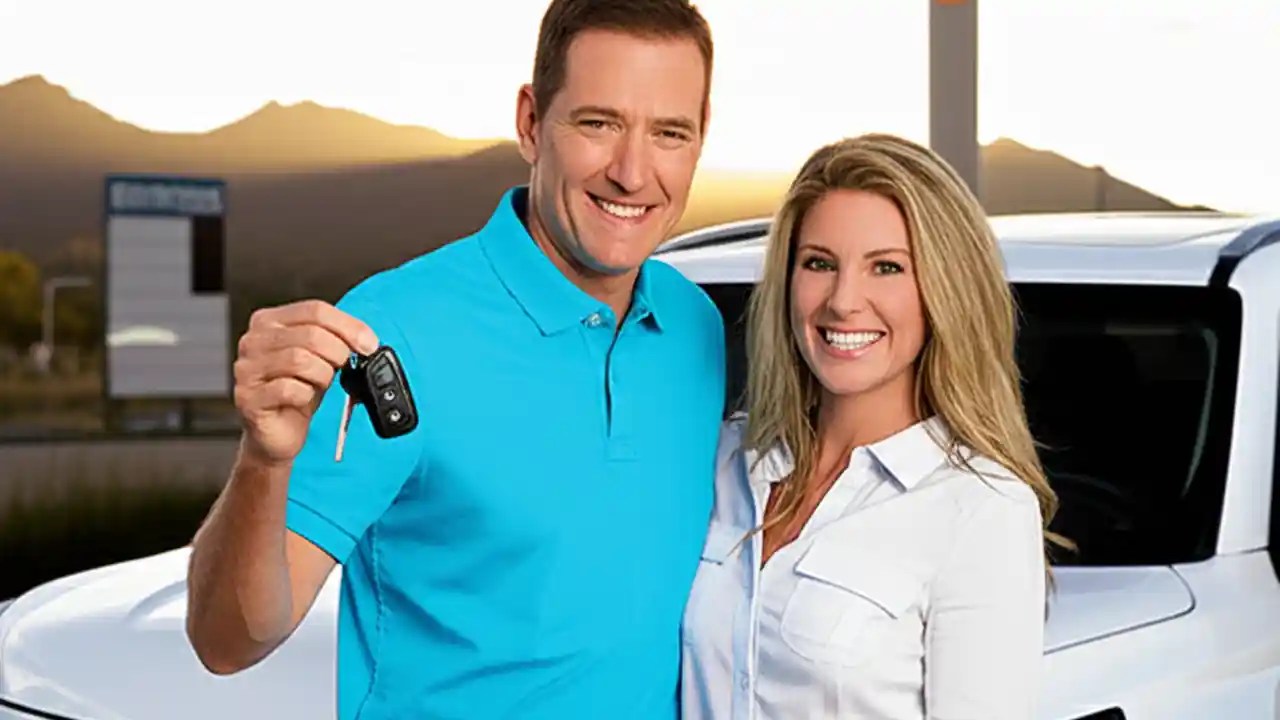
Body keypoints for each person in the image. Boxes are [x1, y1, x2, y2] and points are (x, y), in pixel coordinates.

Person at [184, 1, 727, 718]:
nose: (632, 172)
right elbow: (228, 640)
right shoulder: (393, 332)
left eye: (668, 133)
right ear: (532, 122)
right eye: (598, 123)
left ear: (699, 140)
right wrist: (263, 461)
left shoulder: (697, 327)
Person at [680, 133, 1066, 720]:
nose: (843, 301)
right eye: (819, 263)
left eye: (886, 267)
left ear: (944, 290)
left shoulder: (981, 510)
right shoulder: (723, 459)